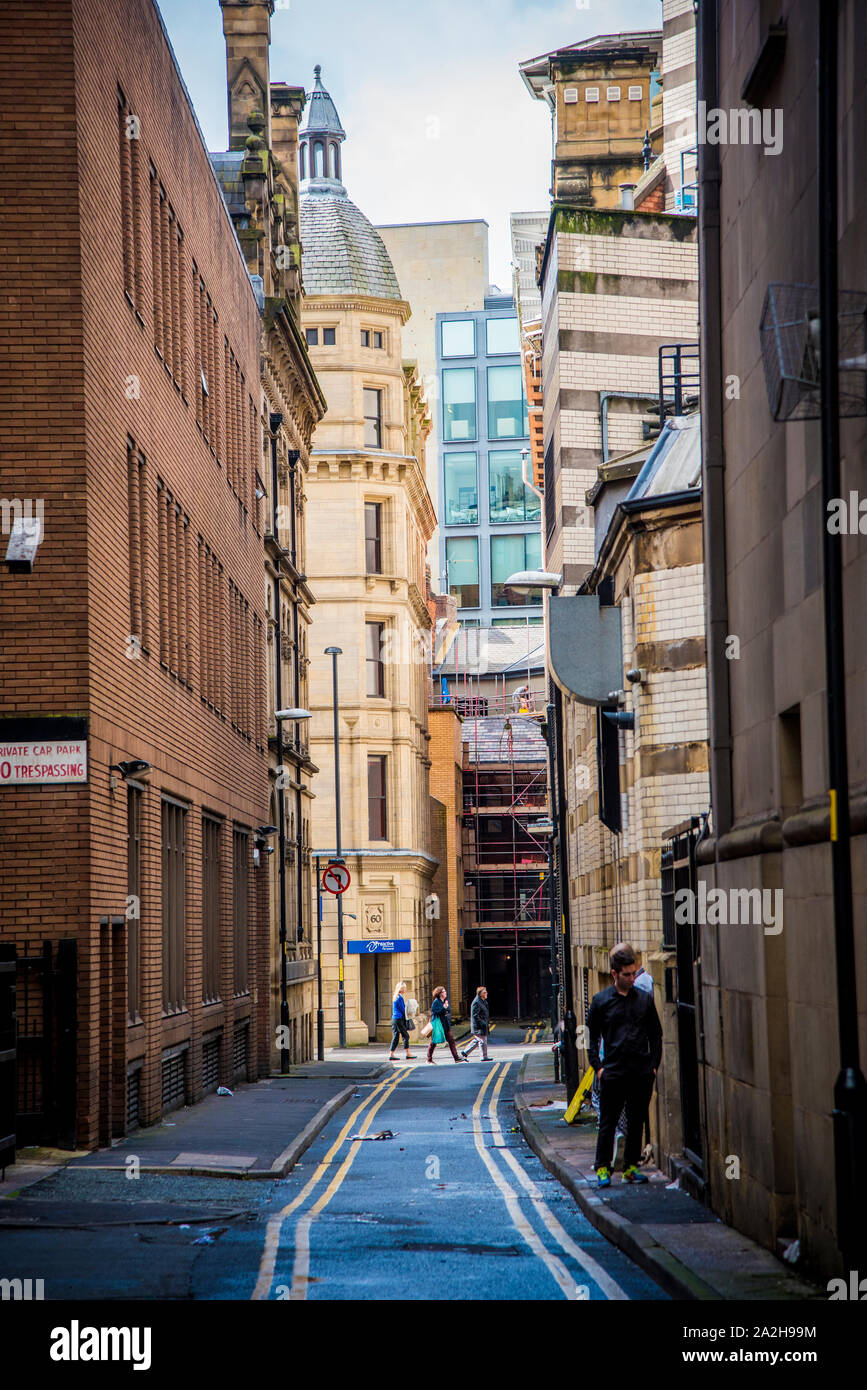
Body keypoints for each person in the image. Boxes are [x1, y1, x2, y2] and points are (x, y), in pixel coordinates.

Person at [587, 942, 662, 1188]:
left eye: (634, 973)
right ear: (614, 974)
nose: (632, 979)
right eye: (626, 975)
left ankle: (631, 1167)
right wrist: (599, 1068)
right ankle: (602, 1168)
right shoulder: (601, 1001)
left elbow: (656, 1035)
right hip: (613, 1072)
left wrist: (653, 1067)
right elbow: (591, 1038)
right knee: (608, 1122)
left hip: (641, 1072)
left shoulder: (644, 1000)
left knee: (636, 1120)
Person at [426, 986, 468, 1064]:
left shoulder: (444, 1001)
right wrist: (444, 1008)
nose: (445, 992)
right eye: (444, 991)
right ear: (440, 994)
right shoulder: (436, 1002)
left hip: (446, 1025)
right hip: (438, 1026)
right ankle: (429, 1059)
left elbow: (447, 1012)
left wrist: (446, 1008)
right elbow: (436, 1012)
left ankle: (457, 1058)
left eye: (445, 991)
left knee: (451, 1041)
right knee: (433, 1042)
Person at [460, 985, 490, 1059]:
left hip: (482, 1024)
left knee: (478, 1040)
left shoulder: (483, 1001)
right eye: (485, 992)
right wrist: (482, 1023)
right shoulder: (476, 1002)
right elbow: (475, 1015)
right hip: (478, 1026)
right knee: (482, 1040)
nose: (487, 993)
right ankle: (483, 1057)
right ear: (480, 994)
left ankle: (465, 1052)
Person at [389, 981, 415, 1062]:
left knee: (396, 1037)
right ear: (401, 989)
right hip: (399, 1019)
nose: (405, 989)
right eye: (404, 988)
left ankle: (391, 1054)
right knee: (406, 1036)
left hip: (395, 1019)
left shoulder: (396, 997)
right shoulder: (399, 998)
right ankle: (408, 1054)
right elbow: (403, 1009)